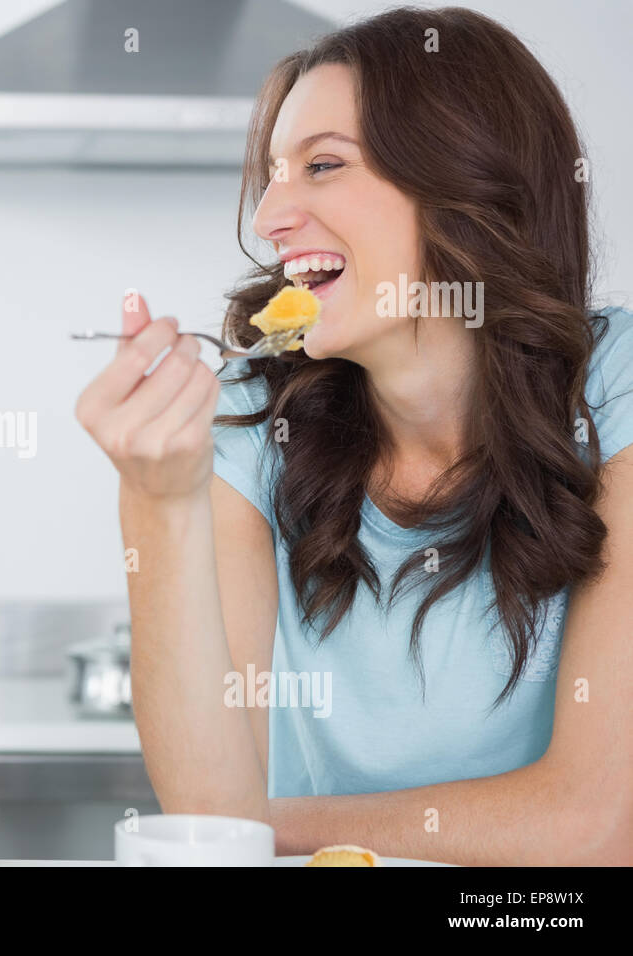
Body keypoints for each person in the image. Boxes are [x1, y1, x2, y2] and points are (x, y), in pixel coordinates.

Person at [76, 7, 631, 864]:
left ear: (467, 182)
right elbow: (213, 821)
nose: (270, 218)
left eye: (322, 165)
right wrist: (157, 502)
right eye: (272, 175)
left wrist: (275, 828)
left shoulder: (618, 385)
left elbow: (596, 826)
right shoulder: (252, 425)